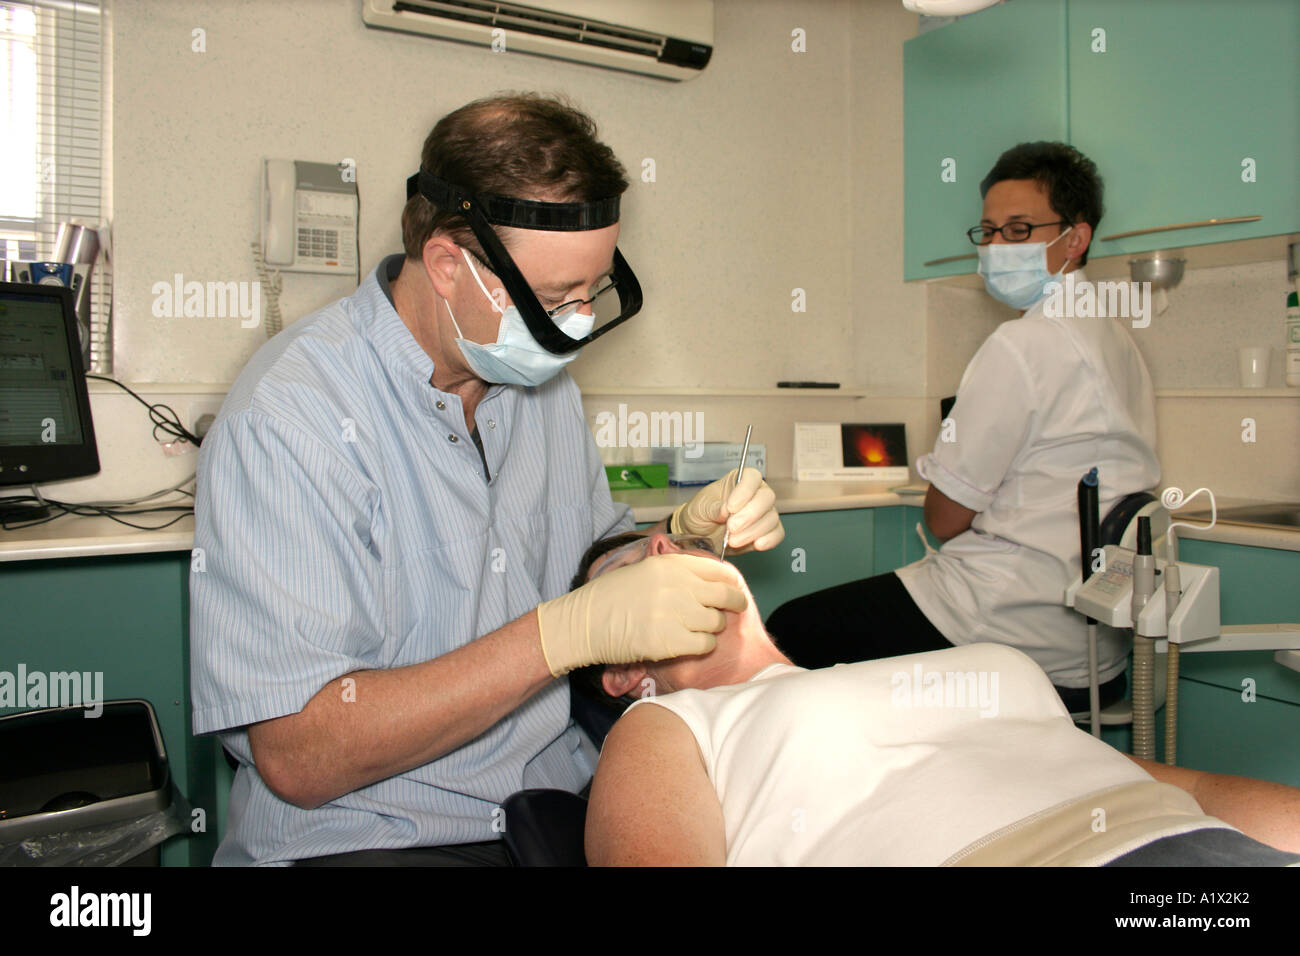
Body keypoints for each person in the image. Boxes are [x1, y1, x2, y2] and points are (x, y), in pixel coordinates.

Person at [189, 93, 784, 866]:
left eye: (590, 292)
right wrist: (563, 634)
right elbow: (303, 756)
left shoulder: (542, 389)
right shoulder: (291, 419)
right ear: (446, 263)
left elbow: (583, 563)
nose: (574, 325)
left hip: (549, 801)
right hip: (375, 833)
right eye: (549, 299)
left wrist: (666, 545)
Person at [576, 532, 1300, 866]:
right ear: (618, 672)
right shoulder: (666, 722)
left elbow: (1195, 787)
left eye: (665, 537)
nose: (664, 550)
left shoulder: (907, 669)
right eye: (627, 567)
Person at [765, 142, 1159, 712]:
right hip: (1094, 651)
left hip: (1007, 627)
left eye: (1020, 230)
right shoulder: (1119, 342)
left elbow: (945, 519)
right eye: (989, 231)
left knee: (790, 629)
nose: (998, 247)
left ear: (1076, 239)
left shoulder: (1023, 343)